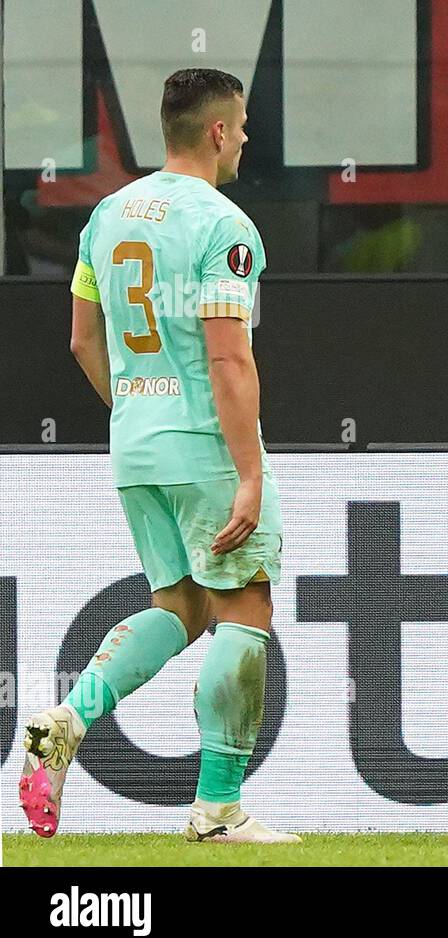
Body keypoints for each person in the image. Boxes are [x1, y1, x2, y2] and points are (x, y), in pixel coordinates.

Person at [18, 68, 298, 845]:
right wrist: (248, 472)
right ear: (216, 131)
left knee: (182, 604)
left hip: (135, 442)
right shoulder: (223, 224)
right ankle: (218, 808)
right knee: (244, 610)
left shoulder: (106, 216)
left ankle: (68, 718)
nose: (244, 137)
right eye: (239, 125)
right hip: (203, 443)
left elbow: (81, 337)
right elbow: (228, 359)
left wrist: (137, 408)